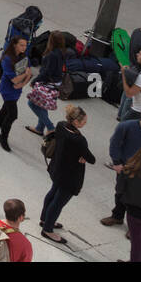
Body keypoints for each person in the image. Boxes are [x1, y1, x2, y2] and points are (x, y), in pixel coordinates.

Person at [40, 105, 95, 245]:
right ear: (76, 122)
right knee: (58, 202)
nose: (85, 124)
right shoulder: (79, 140)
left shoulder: (60, 125)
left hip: (57, 168)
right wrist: (82, 155)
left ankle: (45, 218)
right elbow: (91, 159)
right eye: (83, 122)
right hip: (70, 175)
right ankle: (47, 229)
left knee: (52, 193)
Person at [26, 30, 72, 137]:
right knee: (42, 106)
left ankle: (50, 127)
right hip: (56, 83)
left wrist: (34, 80)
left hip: (48, 83)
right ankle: (39, 128)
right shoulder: (63, 52)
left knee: (32, 103)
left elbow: (47, 72)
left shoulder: (51, 54)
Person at [106, 112, 141, 230]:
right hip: (127, 169)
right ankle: (117, 216)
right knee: (120, 192)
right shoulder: (126, 126)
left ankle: (135, 227)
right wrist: (117, 163)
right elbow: (114, 144)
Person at [0, 35, 32, 152]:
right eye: (21, 45)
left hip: (16, 90)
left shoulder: (24, 57)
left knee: (5, 109)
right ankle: (3, 138)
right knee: (12, 115)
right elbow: (15, 79)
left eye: (25, 45)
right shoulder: (7, 59)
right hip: (7, 90)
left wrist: (21, 84)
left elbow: (27, 75)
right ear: (15, 45)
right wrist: (25, 76)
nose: (24, 47)